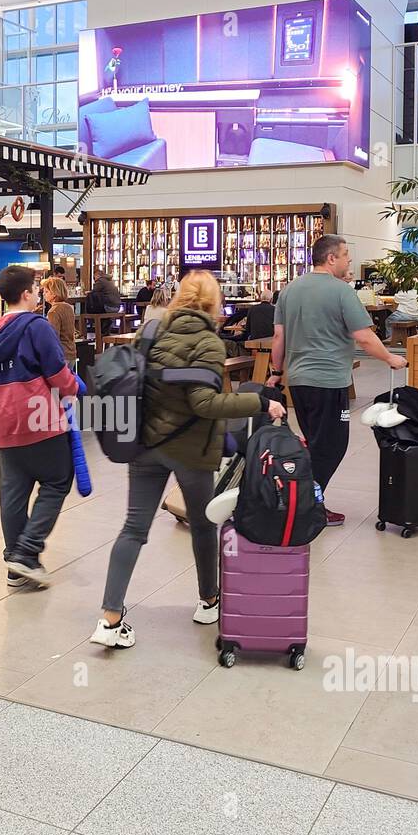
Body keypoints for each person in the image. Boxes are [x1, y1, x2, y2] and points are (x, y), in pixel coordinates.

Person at [90, 271, 286, 649]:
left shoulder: (151, 332)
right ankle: (209, 600)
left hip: (145, 445)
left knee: (133, 528)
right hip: (190, 450)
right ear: (214, 304)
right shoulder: (208, 343)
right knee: (201, 525)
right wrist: (261, 400)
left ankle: (110, 618)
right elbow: (205, 403)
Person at [270, 234, 407, 526]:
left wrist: (276, 373)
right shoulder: (342, 291)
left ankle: (304, 500)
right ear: (331, 258)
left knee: (316, 444)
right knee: (332, 446)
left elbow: (279, 337)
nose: (350, 261)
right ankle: (304, 503)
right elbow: (364, 336)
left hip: (299, 382)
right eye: (346, 255)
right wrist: (390, 359)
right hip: (328, 381)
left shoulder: (290, 290)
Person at [0, 266, 82, 588]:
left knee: (13, 492)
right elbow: (56, 370)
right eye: (36, 288)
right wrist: (75, 390)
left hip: (1, 416)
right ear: (26, 294)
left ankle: (15, 564)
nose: (39, 292)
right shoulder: (37, 326)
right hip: (36, 415)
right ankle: (26, 553)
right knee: (57, 480)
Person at [43, 275, 77, 366]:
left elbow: (53, 337)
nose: (44, 294)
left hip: (60, 356)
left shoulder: (53, 312)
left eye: (46, 291)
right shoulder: (68, 307)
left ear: (54, 294)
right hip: (71, 353)